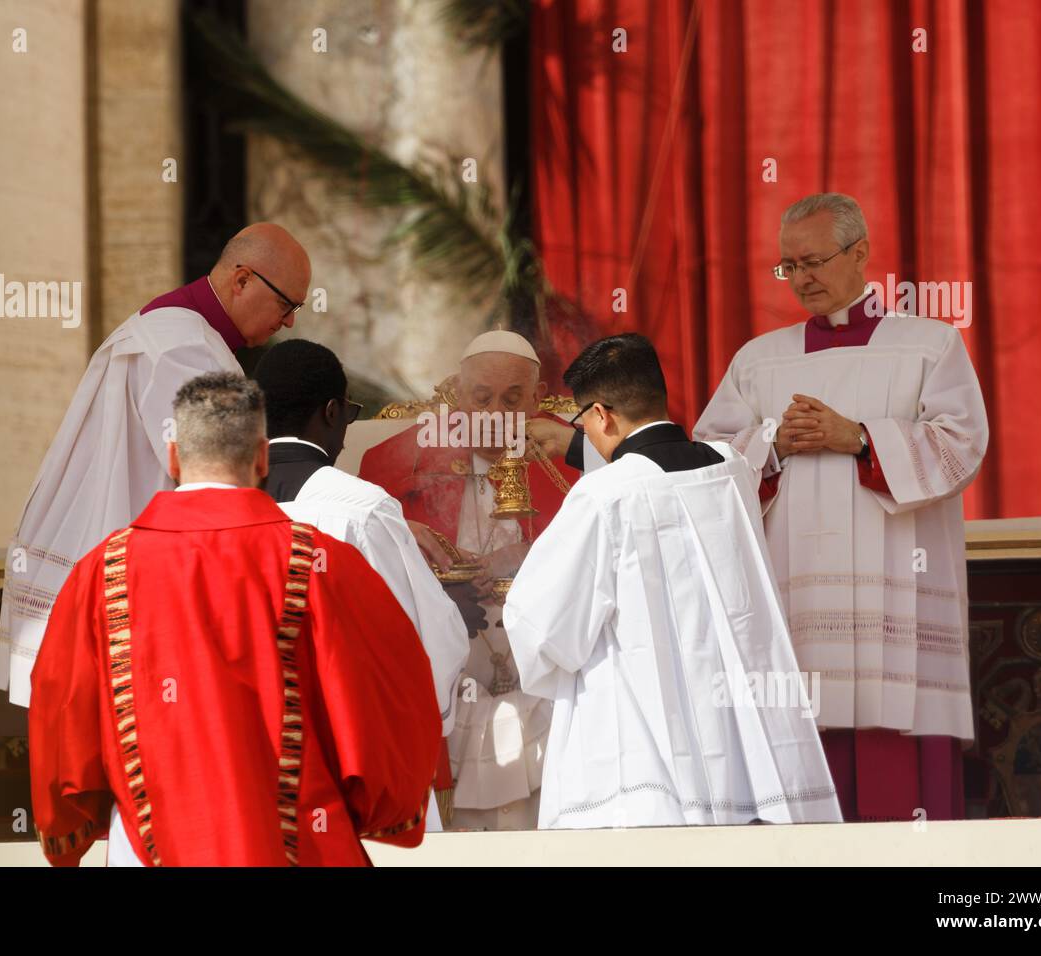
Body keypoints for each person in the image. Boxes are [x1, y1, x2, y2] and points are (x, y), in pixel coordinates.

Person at [27, 372, 440, 866]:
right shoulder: (322, 563)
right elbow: (394, 693)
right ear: (262, 458)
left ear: (175, 458)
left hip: (147, 847)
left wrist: (69, 827)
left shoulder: (102, 572)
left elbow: (60, 709)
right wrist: (380, 806)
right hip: (299, 842)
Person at [693, 193, 988, 822]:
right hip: (798, 597)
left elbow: (961, 445)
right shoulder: (759, 359)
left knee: (898, 781)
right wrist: (771, 445)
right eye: (788, 266)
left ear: (860, 254)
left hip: (895, 592)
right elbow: (708, 464)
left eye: (814, 260)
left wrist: (857, 439)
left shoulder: (929, 345)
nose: (801, 277)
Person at [503, 334, 841, 829]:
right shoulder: (731, 469)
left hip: (646, 732)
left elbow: (545, 622)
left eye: (583, 422)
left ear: (600, 415)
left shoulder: (605, 495)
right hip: (737, 721)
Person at [0, 223, 311, 706]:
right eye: (287, 304)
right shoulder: (181, 346)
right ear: (242, 280)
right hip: (129, 586)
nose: (289, 322)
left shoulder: (176, 332)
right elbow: (219, 480)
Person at [358, 330, 580, 830]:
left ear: (538, 395)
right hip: (452, 684)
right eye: (482, 398)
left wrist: (529, 554)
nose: (497, 414)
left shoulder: (572, 462)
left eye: (513, 399)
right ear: (458, 395)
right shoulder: (397, 464)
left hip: (540, 677)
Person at [253, 339, 473, 829]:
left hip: (246, 768)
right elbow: (425, 650)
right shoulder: (358, 508)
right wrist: (453, 609)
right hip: (348, 764)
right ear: (331, 413)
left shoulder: (214, 505)